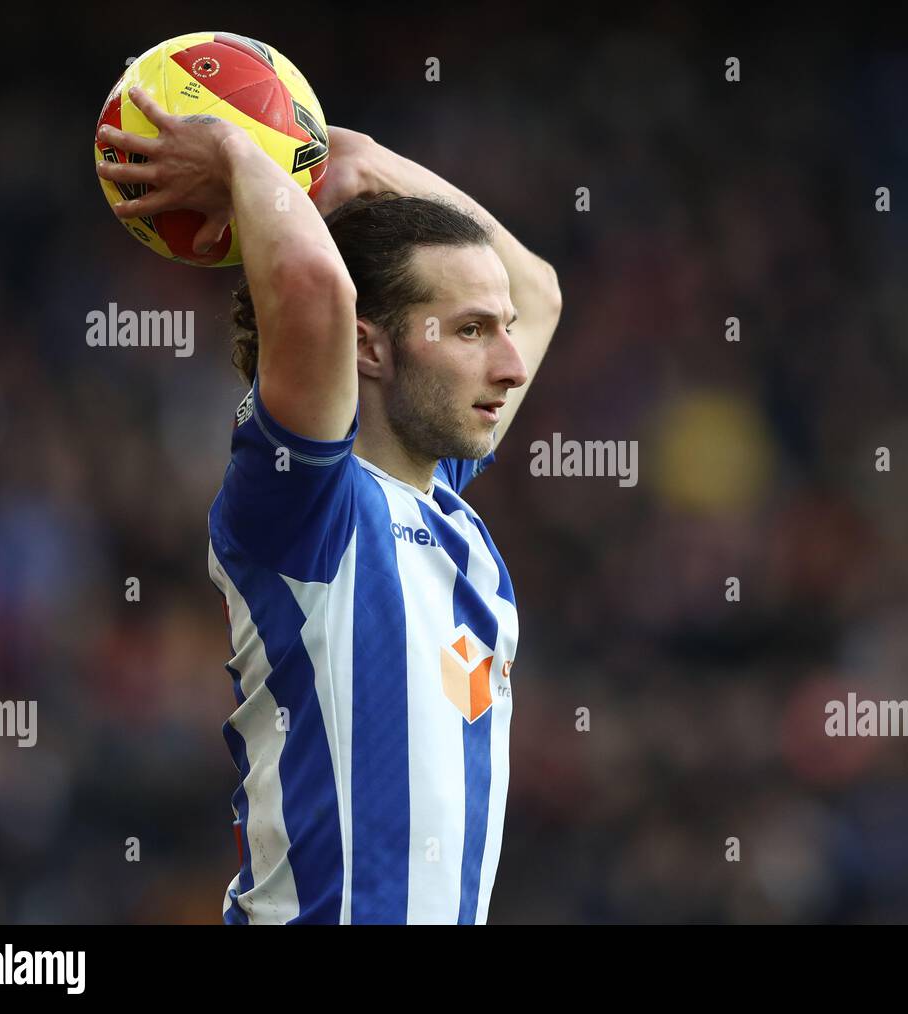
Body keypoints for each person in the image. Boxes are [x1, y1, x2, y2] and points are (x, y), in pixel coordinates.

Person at [95, 85, 562, 923]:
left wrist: (370, 162)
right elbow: (316, 290)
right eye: (468, 331)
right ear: (369, 348)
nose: (511, 362)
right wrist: (243, 155)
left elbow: (540, 288)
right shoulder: (304, 503)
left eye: (499, 330)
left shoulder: (444, 505)